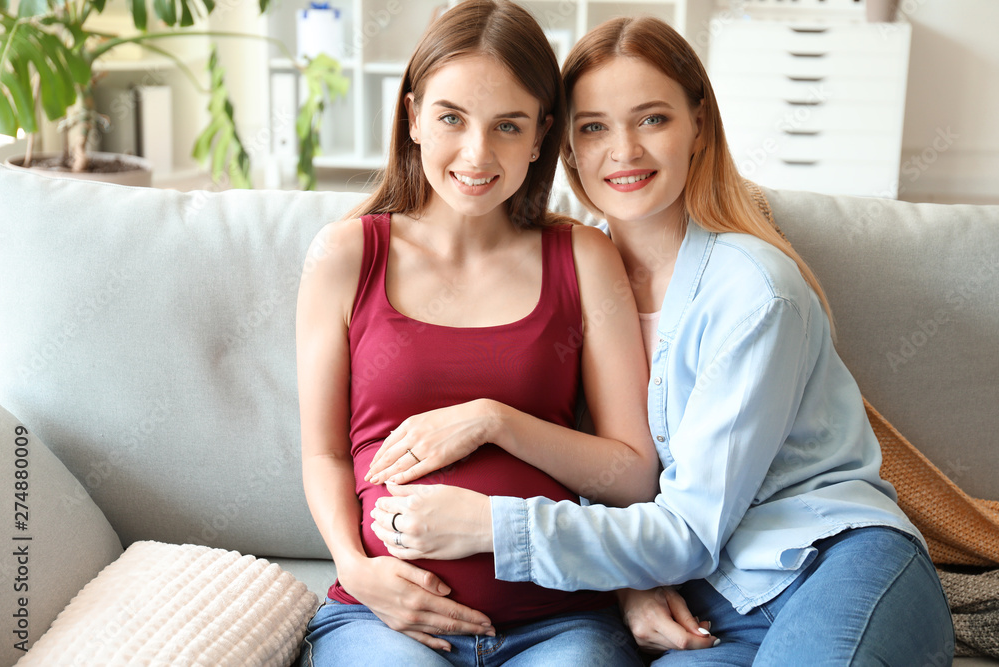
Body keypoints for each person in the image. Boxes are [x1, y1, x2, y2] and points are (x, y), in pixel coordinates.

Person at [367, 15, 955, 665]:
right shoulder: (574, 285)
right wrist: (628, 585)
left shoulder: (754, 292)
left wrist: (486, 524)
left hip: (832, 564)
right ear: (564, 149)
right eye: (593, 127)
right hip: (712, 606)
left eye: (652, 119)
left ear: (698, 125)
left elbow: (687, 529)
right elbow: (604, 474)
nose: (624, 151)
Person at [295, 2, 671, 665]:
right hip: (386, 619)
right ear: (412, 117)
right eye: (450, 118)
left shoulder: (583, 256)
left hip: (560, 620)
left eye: (507, 126)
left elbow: (634, 475)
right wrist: (354, 567)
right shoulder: (346, 255)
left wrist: (494, 420)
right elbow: (324, 452)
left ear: (540, 136)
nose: (477, 153)